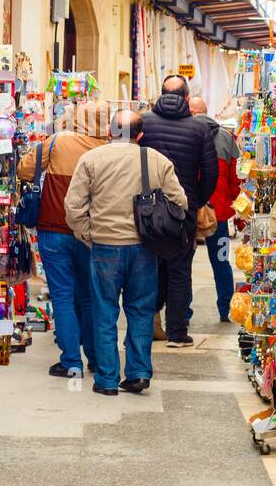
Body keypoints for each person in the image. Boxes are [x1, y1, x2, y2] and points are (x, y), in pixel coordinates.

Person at [64, 108, 187, 395]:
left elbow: (73, 207)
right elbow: (179, 201)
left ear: (109, 132)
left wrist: (88, 234)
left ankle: (107, 380)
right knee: (141, 310)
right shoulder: (156, 160)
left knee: (104, 312)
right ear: (140, 135)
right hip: (144, 248)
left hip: (105, 246)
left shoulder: (91, 159)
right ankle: (138, 372)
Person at [18, 100, 110, 378]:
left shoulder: (59, 141)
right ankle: (95, 358)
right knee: (89, 296)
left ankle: (71, 362)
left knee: (62, 296)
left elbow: (24, 169)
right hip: (89, 233)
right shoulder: (108, 149)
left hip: (54, 229)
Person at [139, 75, 218, 348]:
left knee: (149, 267)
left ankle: (147, 325)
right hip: (182, 211)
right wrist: (196, 200)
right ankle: (177, 332)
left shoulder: (144, 123)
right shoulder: (199, 130)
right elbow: (210, 173)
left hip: (146, 208)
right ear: (186, 98)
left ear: (160, 94)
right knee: (180, 270)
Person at [189, 96, 240, 322]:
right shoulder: (227, 138)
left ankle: (183, 313)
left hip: (189, 214)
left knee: (183, 265)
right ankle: (225, 309)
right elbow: (235, 181)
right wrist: (235, 208)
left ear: (192, 112)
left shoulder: (184, 135)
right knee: (221, 262)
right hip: (218, 216)